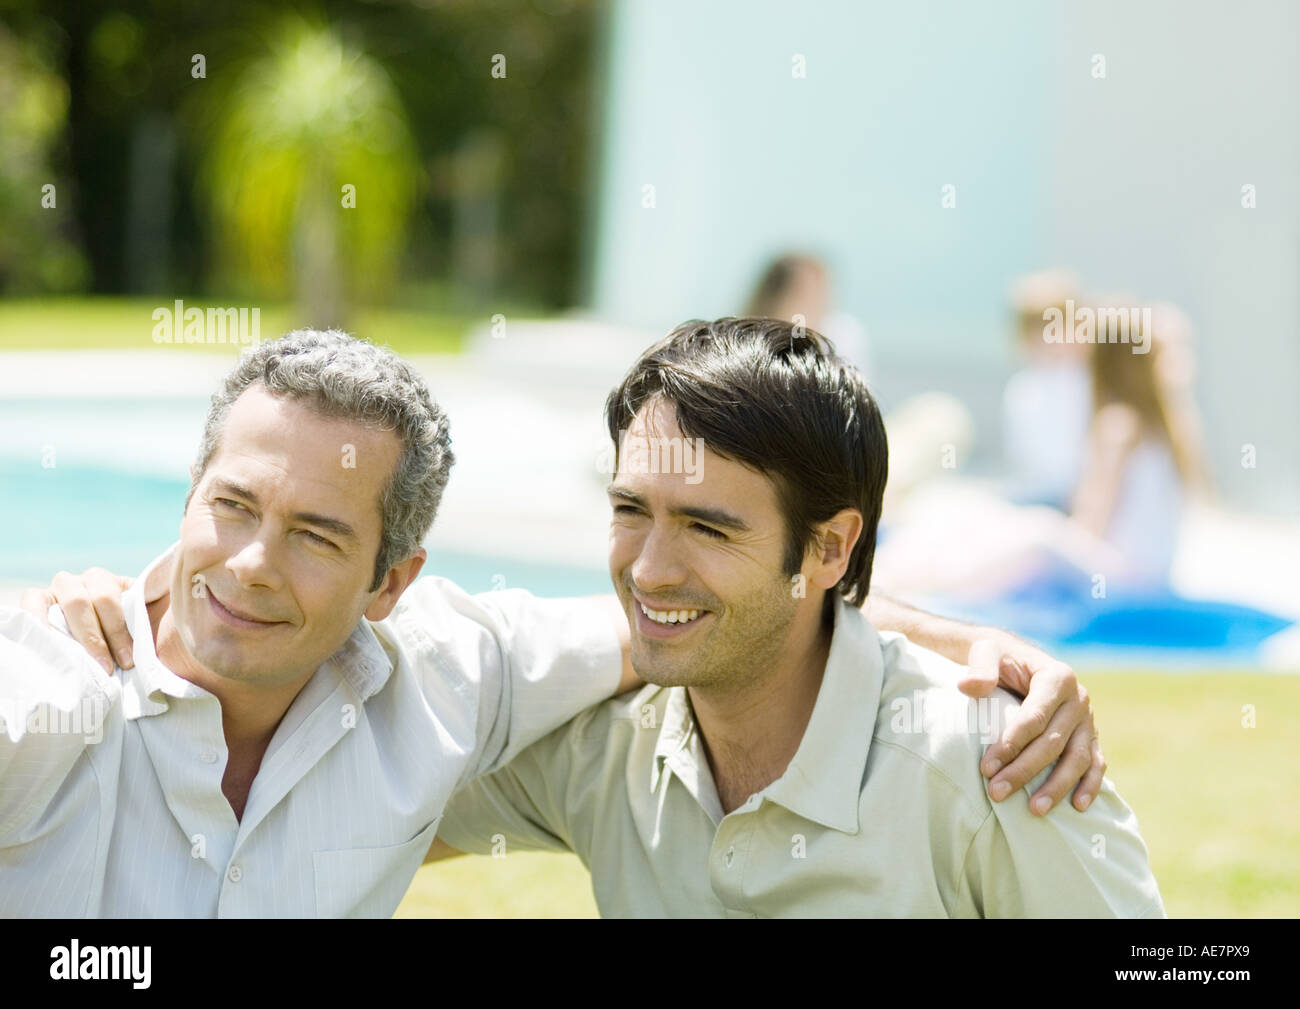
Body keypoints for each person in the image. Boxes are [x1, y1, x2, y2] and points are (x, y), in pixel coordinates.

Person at [6, 330, 1102, 918]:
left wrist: (973, 645)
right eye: (231, 507)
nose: (249, 564)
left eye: (318, 535)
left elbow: (692, 615)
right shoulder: (48, 691)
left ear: (393, 582)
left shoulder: (444, 680)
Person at [426, 318, 1164, 918]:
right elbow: (362, 805)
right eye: (629, 510)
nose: (649, 568)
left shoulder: (1001, 763)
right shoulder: (603, 745)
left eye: (707, 528)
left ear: (829, 547)